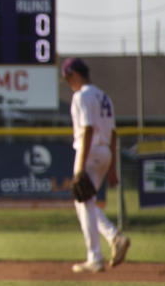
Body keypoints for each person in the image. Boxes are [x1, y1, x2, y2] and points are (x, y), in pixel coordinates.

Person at [61, 57, 131, 273]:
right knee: (86, 203)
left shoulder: (81, 96)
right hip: (105, 152)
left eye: (67, 78)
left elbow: (88, 129)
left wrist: (80, 166)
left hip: (89, 151)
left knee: (84, 202)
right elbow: (113, 133)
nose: (67, 83)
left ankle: (97, 256)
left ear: (73, 74)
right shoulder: (104, 97)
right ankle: (113, 238)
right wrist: (111, 166)